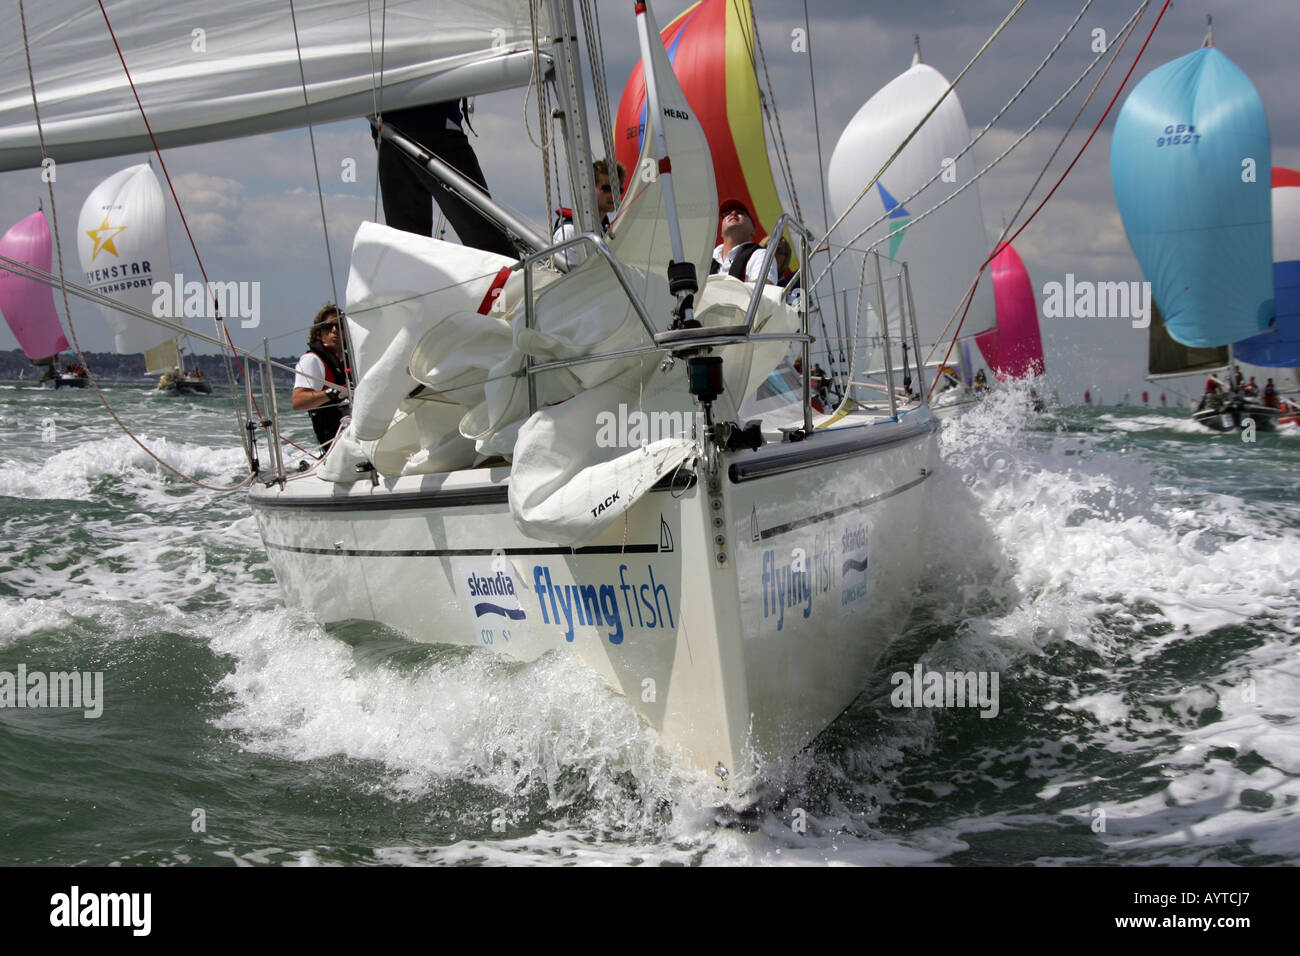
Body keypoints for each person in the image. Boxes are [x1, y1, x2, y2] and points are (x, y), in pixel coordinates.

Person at [372, 100, 516, 257]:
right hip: (434, 125)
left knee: (408, 245)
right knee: (487, 241)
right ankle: (511, 271)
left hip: (388, 129)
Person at [292, 305, 352, 451]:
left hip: (355, 433)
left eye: (340, 326)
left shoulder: (350, 360)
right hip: (335, 443)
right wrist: (333, 393)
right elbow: (298, 401)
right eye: (328, 327)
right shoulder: (312, 360)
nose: (335, 330)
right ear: (318, 333)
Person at [552, 159, 624, 268]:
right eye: (606, 189)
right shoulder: (569, 232)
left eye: (617, 190)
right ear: (589, 189)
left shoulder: (608, 234)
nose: (613, 195)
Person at [710, 199, 777, 283]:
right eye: (726, 213)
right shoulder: (707, 259)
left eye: (740, 212)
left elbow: (765, 285)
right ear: (721, 233)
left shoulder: (762, 255)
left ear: (753, 230)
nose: (733, 213)